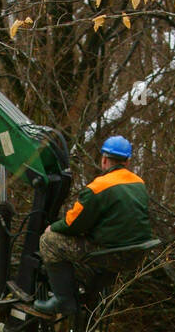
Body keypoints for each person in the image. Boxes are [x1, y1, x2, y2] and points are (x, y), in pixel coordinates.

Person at [35, 135, 154, 317]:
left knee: (49, 241)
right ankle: (90, 296)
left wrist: (53, 227)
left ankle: (63, 300)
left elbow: (72, 224)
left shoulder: (99, 187)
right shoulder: (138, 183)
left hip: (110, 253)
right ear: (127, 162)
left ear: (104, 159)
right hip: (135, 254)